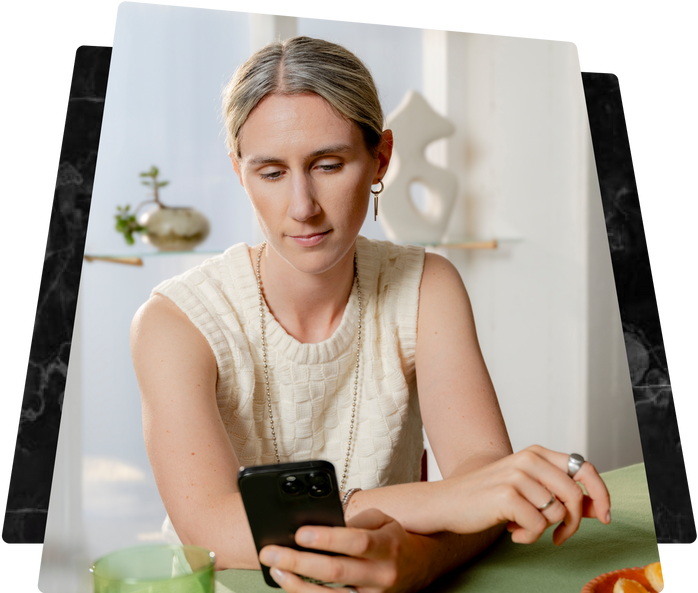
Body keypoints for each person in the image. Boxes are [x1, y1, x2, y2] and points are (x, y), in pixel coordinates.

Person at [130, 36, 612, 592]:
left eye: (328, 164)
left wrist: (418, 559)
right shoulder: (175, 322)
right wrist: (444, 503)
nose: (302, 206)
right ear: (239, 171)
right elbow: (212, 525)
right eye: (271, 173)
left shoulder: (426, 285)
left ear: (380, 157)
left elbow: (481, 486)